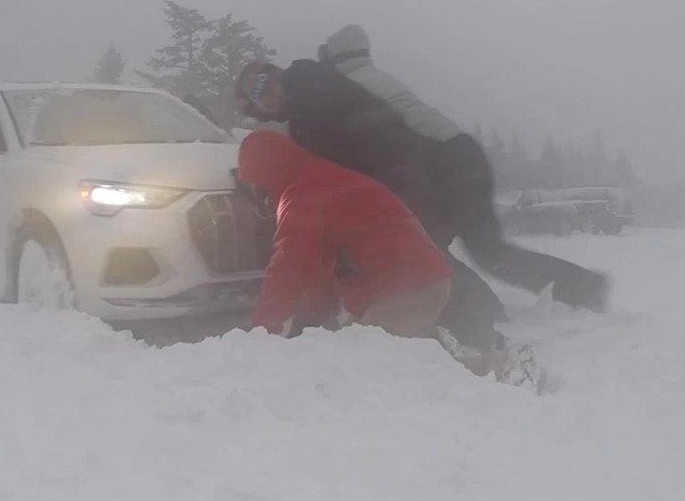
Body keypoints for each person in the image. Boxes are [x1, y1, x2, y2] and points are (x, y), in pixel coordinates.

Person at [235, 57, 607, 351]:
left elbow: (383, 139)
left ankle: (487, 321)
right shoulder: (312, 97)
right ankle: (508, 310)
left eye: (266, 77)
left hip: (431, 171)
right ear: (258, 108)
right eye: (257, 91)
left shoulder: (313, 101)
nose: (267, 89)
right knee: (475, 250)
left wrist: (408, 195)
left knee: (438, 252)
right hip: (433, 168)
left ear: (277, 71)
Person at [318, 25, 609, 313]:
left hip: (446, 167)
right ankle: (581, 288)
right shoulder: (377, 79)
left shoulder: (353, 88)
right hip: (463, 156)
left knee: (428, 250)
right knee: (486, 250)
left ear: (335, 58)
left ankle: (478, 314)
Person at [238, 130, 451, 339]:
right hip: (410, 282)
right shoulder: (316, 178)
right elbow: (318, 265)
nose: (259, 197)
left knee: (363, 364)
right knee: (350, 354)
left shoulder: (302, 197)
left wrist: (261, 329)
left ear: (266, 173)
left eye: (255, 186)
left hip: (406, 289)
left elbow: (289, 266)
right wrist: (314, 313)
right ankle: (466, 365)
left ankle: (471, 369)